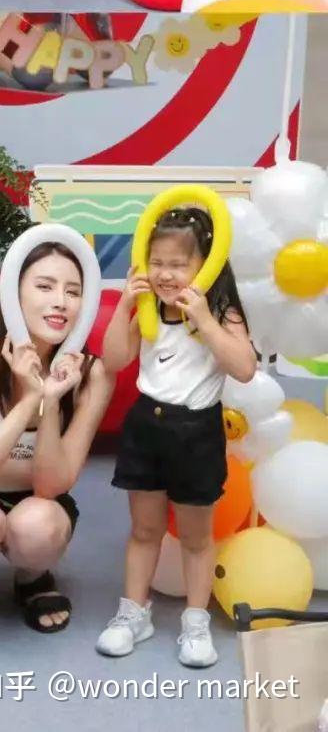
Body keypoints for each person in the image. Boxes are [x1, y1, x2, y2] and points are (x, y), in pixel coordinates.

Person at [0, 242, 113, 637]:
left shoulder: (92, 374)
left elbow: (51, 486)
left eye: (73, 291)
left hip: (39, 500)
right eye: (45, 286)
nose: (60, 301)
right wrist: (28, 400)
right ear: (13, 294)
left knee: (38, 525)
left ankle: (31, 577)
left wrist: (50, 399)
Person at [98, 206, 256, 668]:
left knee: (195, 537)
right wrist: (125, 306)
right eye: (157, 262)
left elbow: (244, 368)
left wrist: (205, 319)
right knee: (144, 529)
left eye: (178, 264)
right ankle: (133, 614)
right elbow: (113, 359)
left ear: (206, 265)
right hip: (147, 425)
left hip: (196, 432)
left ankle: (195, 621)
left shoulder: (220, 311)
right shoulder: (149, 310)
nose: (165, 274)